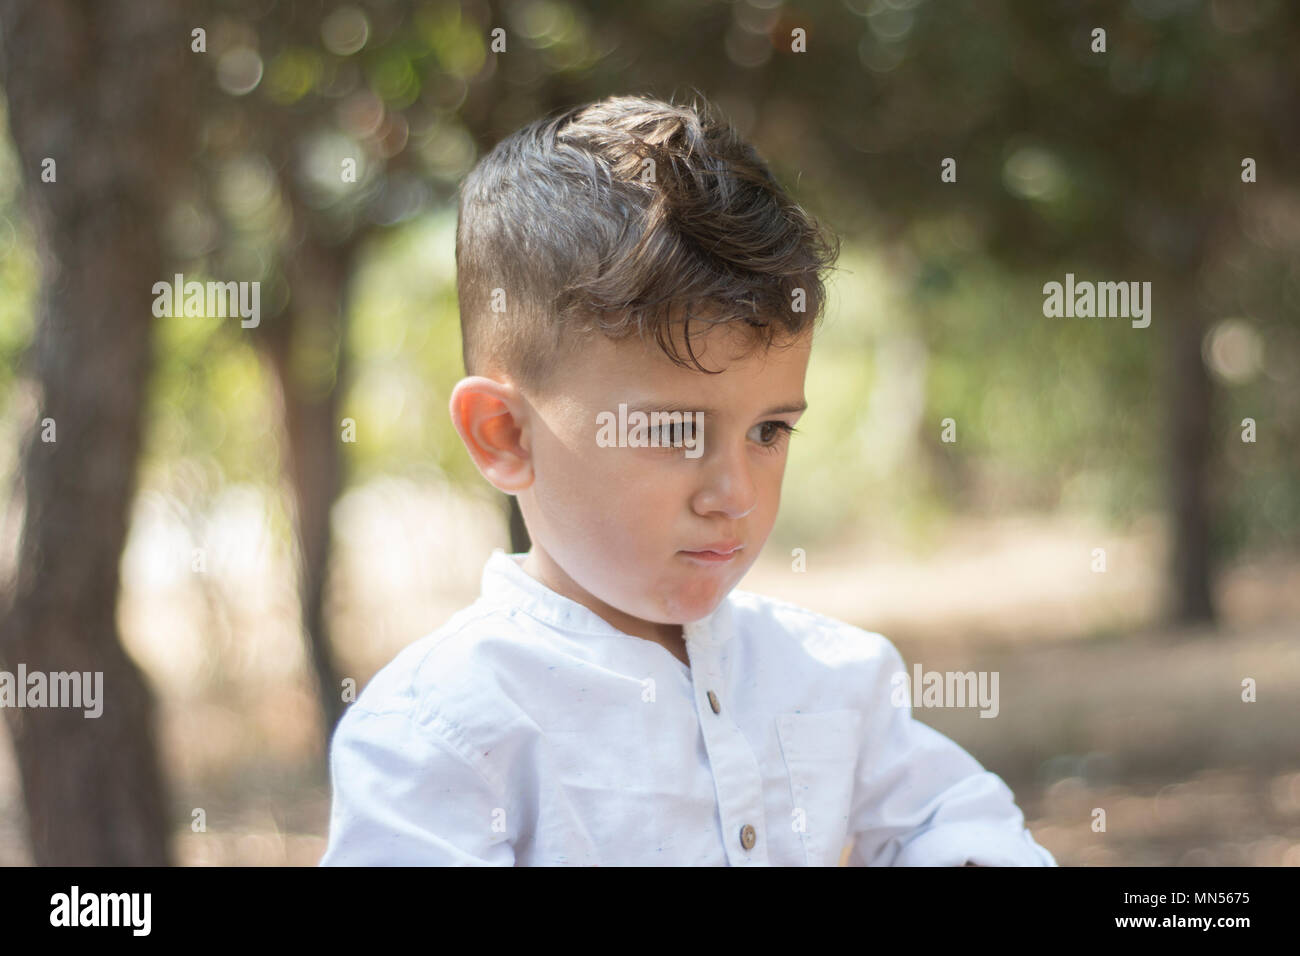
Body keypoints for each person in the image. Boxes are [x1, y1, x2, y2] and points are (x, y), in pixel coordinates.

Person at [318, 93, 1055, 866]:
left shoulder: (826, 677)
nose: (734, 493)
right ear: (505, 435)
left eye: (769, 431)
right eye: (673, 432)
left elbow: (952, 814)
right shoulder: (440, 732)